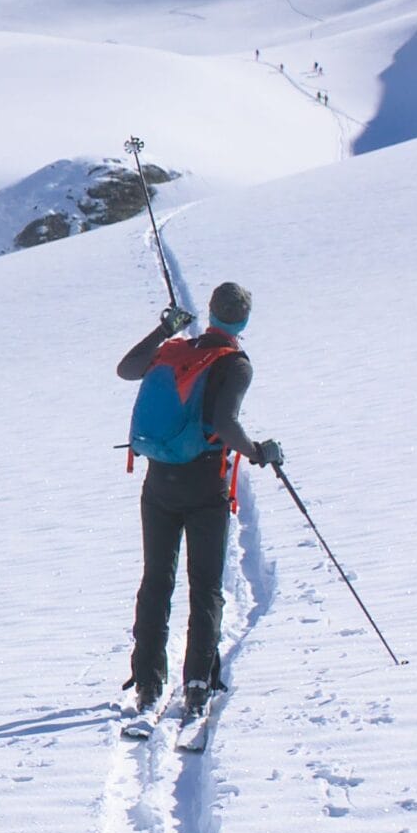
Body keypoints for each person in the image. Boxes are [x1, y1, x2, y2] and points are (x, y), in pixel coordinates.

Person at [117, 279, 282, 717]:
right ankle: (196, 683)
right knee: (206, 586)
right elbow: (224, 423)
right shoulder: (235, 364)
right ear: (243, 321)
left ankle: (148, 681)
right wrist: (258, 452)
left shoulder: (174, 351)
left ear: (210, 311)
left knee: (156, 580)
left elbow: (126, 369)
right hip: (206, 486)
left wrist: (165, 329)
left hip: (159, 483)